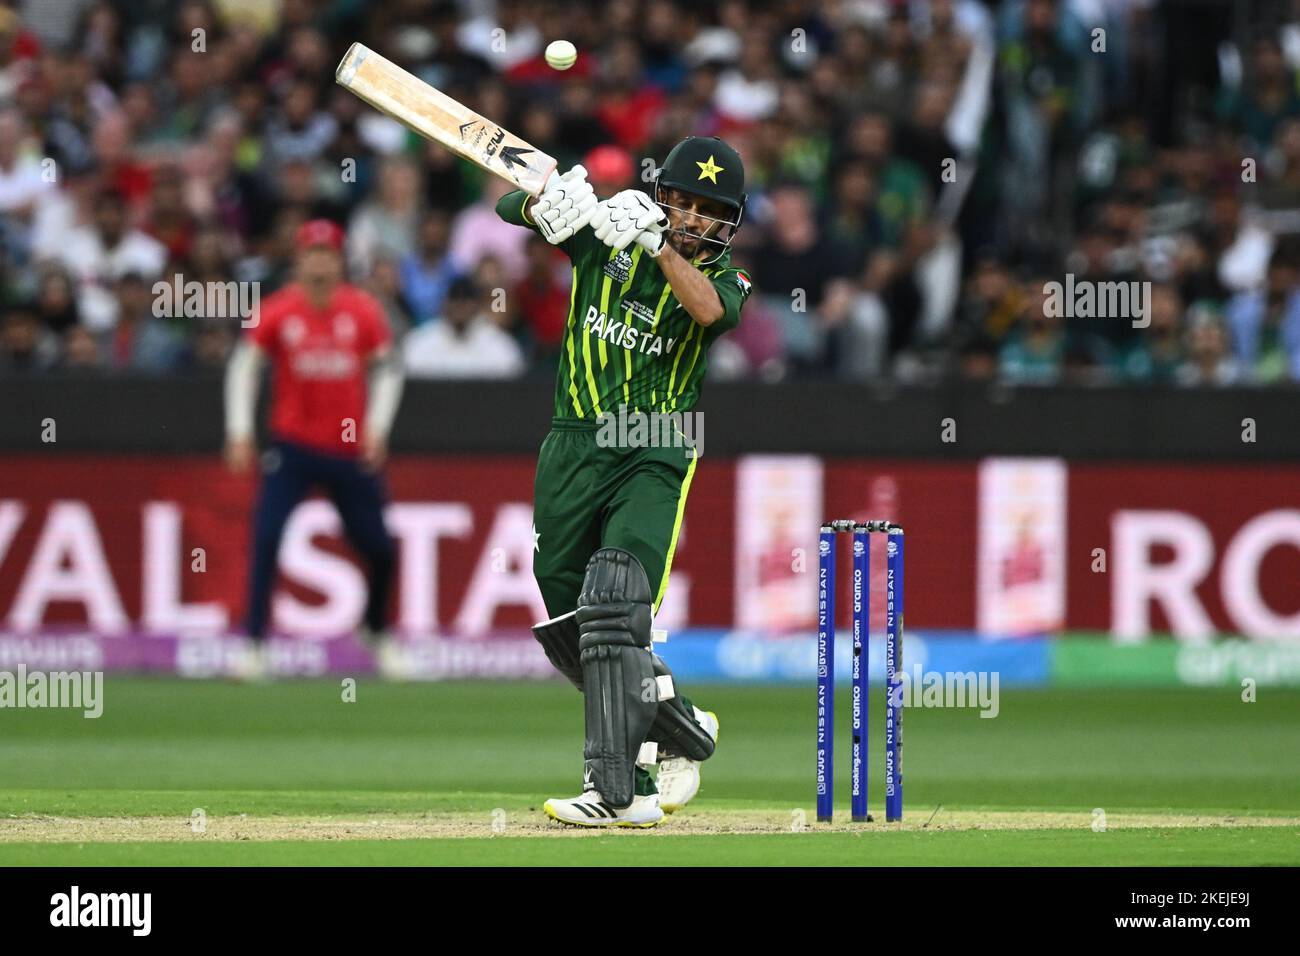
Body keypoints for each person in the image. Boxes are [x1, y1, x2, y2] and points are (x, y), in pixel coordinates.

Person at [495, 136, 753, 827]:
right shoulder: (603, 238)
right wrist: (548, 204)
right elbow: (504, 203)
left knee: (616, 602)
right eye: (684, 203)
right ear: (663, 194)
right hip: (572, 442)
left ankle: (618, 791)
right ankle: (686, 728)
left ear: (728, 222)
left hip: (653, 446)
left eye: (711, 212)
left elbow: (708, 312)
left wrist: (659, 247)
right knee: (570, 628)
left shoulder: (730, 278)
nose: (695, 219)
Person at [223, 219, 404, 680]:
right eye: (312, 254)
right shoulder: (280, 311)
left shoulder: (362, 311)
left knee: (380, 548)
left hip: (349, 449)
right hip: (292, 447)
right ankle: (255, 646)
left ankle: (376, 632)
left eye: (328, 254)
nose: (320, 263)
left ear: (339, 261)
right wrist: (240, 429)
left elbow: (388, 370)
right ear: (299, 260)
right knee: (266, 538)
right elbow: (245, 367)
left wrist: (378, 427)